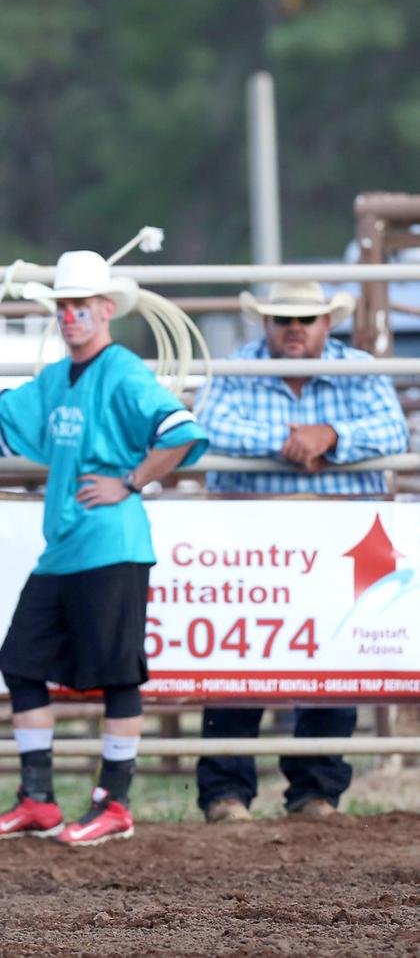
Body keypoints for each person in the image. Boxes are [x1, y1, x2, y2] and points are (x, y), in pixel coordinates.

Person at [0, 251, 208, 845]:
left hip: (112, 544)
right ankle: (39, 800)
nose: (71, 316)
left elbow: (181, 432)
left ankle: (114, 803)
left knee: (117, 674)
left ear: (106, 310)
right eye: (64, 306)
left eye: (82, 306)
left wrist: (131, 481)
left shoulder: (125, 372)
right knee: (22, 663)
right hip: (66, 548)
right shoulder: (58, 380)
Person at [197, 281, 409, 823]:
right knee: (236, 657)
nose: (295, 328)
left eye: (307, 318)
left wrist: (331, 435)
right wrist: (300, 440)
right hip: (248, 549)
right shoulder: (236, 366)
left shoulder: (357, 366)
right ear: (266, 324)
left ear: (325, 323)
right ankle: (228, 793)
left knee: (329, 663)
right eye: (283, 318)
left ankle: (314, 793)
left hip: (332, 544)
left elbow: (392, 432)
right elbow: (207, 425)